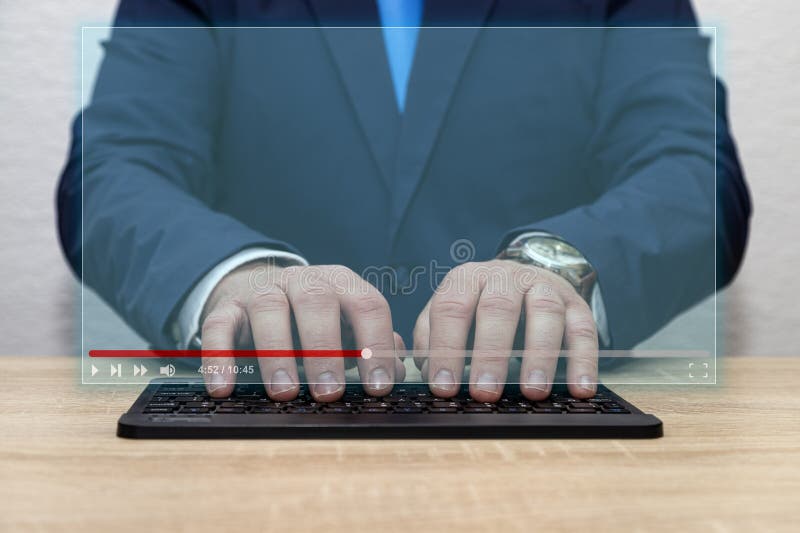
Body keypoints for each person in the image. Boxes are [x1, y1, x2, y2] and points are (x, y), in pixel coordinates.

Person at [58, 0, 750, 403]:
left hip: (541, 434)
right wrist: (237, 278)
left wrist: (555, 269)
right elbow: (112, 169)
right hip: (254, 436)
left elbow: (693, 175)